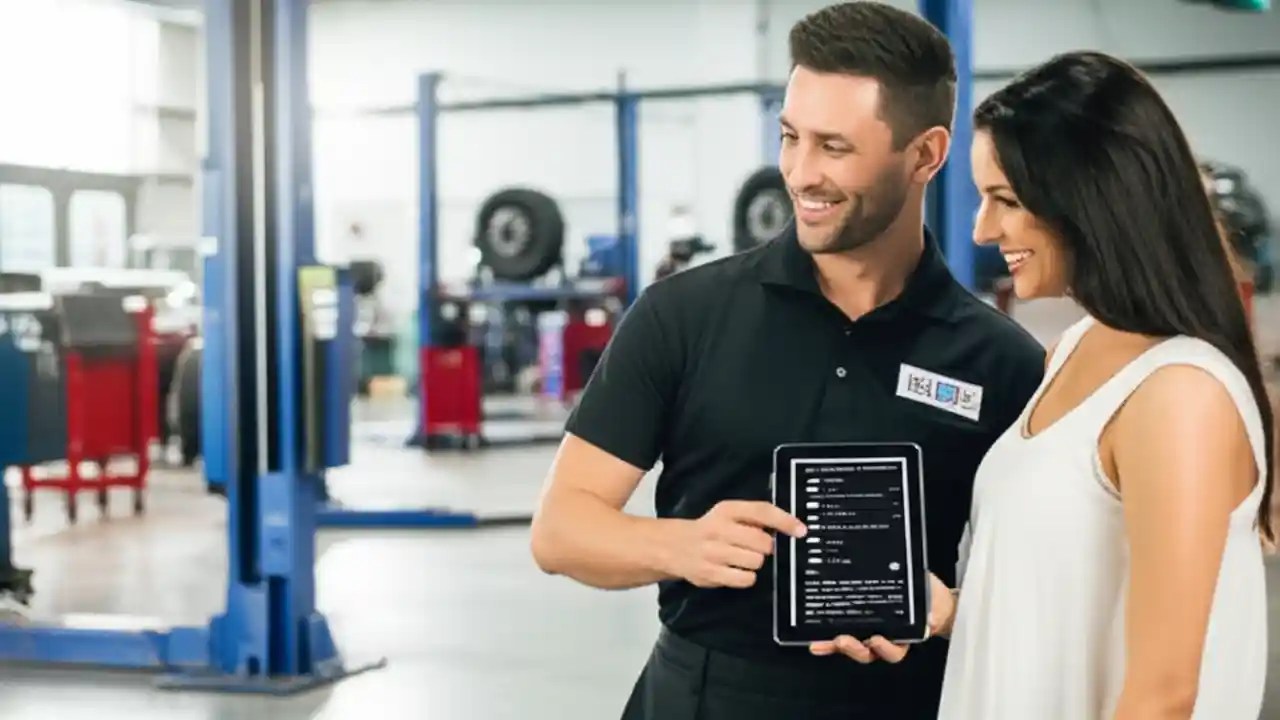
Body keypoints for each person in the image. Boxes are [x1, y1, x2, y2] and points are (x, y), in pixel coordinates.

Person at [529, 3, 1045, 718]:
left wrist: (949, 611)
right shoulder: (682, 316)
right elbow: (560, 530)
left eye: (834, 147)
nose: (800, 174)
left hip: (904, 700)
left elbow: (1043, 587)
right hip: (703, 697)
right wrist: (680, 545)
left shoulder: (1002, 362)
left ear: (926, 155)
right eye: (790, 137)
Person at [928, 51, 1273, 719]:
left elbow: (1162, 696)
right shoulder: (1073, 350)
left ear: (1090, 199)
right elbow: (1073, 617)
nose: (982, 229)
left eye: (1006, 200)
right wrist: (950, 613)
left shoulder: (1181, 396)